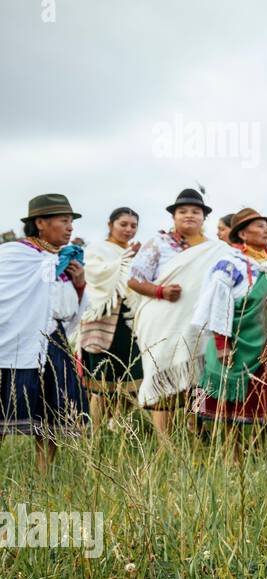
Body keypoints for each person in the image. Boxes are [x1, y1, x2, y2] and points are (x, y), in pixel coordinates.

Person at [127, 188, 226, 440]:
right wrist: (160, 291)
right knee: (162, 377)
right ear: (174, 217)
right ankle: (165, 443)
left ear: (204, 218)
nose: (189, 215)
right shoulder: (158, 244)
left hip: (199, 322)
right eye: (183, 211)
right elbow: (135, 280)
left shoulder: (215, 249)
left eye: (196, 211)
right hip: (164, 321)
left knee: (199, 376)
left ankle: (198, 431)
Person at [0, 194, 89, 473]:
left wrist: (79, 283)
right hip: (17, 341)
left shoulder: (61, 260)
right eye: (64, 221)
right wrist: (51, 268)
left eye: (71, 221)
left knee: (55, 409)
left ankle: (44, 473)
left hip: (53, 339)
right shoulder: (14, 255)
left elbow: (68, 307)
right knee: (4, 408)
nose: (70, 227)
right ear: (40, 222)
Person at [191, 207, 267, 432]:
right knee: (229, 405)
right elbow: (219, 305)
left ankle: (260, 451)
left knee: (264, 402)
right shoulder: (231, 264)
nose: (266, 230)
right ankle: (231, 456)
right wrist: (222, 344)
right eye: (259, 226)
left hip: (266, 345)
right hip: (237, 345)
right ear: (242, 234)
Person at [79, 207, 143, 427]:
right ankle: (94, 433)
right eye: (123, 224)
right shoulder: (98, 248)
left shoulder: (135, 252)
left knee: (132, 382)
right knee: (102, 385)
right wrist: (124, 260)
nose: (128, 229)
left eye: (133, 225)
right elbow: (95, 275)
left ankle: (117, 426)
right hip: (103, 320)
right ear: (110, 225)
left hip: (129, 321)